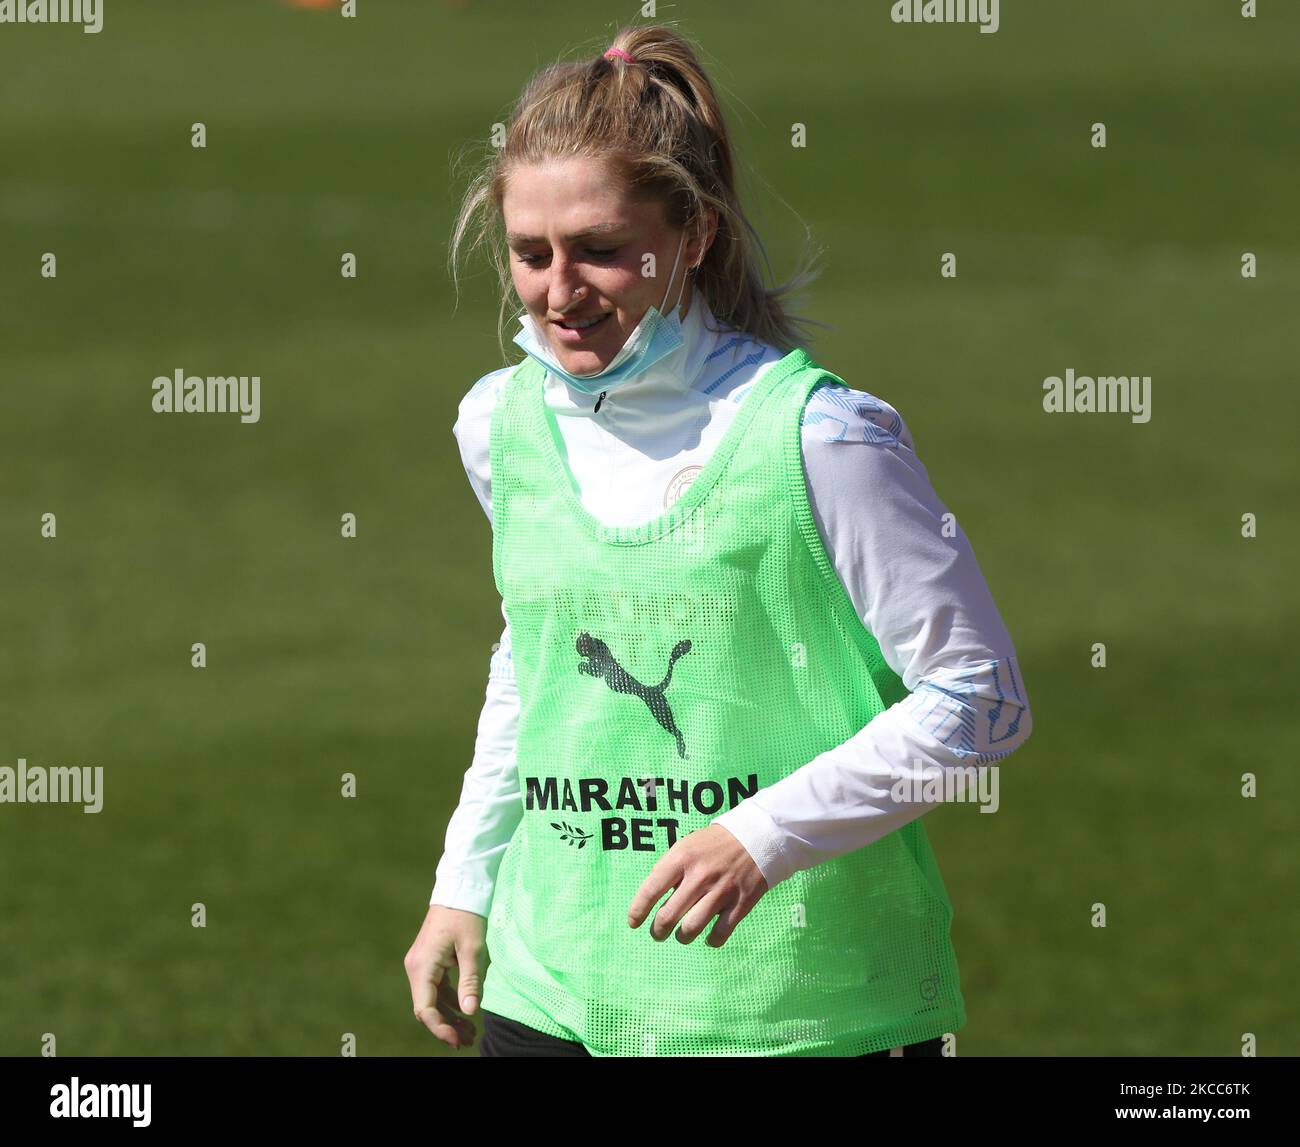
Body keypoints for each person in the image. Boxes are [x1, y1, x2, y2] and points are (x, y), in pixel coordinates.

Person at [404, 23, 1033, 1058]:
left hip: (792, 1014)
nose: (559, 293)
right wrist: (465, 882)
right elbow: (535, 652)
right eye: (530, 254)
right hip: (549, 987)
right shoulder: (496, 423)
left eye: (602, 250)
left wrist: (763, 836)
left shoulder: (823, 436)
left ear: (692, 234)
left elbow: (980, 698)